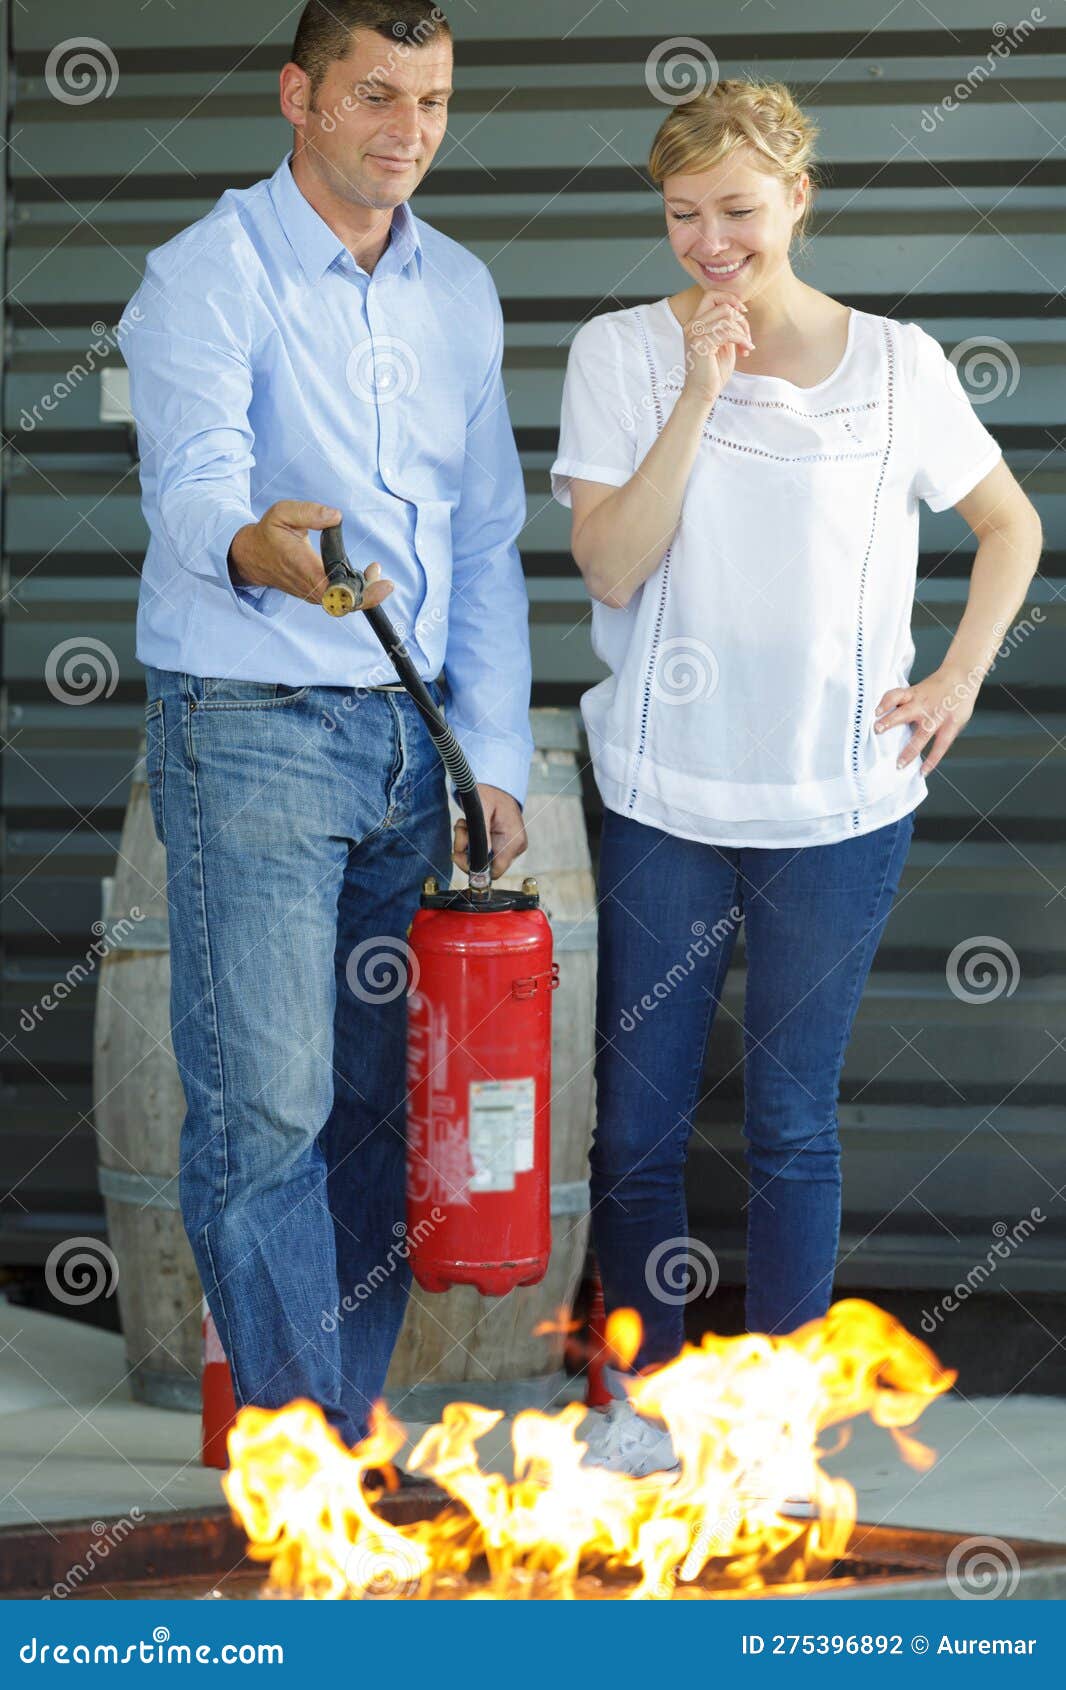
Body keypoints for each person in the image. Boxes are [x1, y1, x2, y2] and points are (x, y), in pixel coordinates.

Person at [551, 77, 1042, 1478]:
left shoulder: (898, 364)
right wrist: (699, 389)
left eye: (738, 211)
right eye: (682, 215)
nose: (710, 242)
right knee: (636, 1122)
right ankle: (638, 1401)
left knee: (788, 1125)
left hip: (837, 800)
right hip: (663, 790)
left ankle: (771, 1431)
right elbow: (611, 565)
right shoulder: (620, 352)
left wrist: (956, 680)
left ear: (798, 200)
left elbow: (1008, 526)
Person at [120, 0, 533, 1451]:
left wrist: (492, 756)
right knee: (269, 1109)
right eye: (376, 95)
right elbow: (191, 485)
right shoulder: (208, 271)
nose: (409, 131)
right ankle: (299, 1461)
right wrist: (255, 546)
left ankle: (338, 1441)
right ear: (298, 95)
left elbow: (485, 540)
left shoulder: (458, 289)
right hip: (252, 726)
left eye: (432, 101)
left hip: (414, 742)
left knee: (373, 1110)